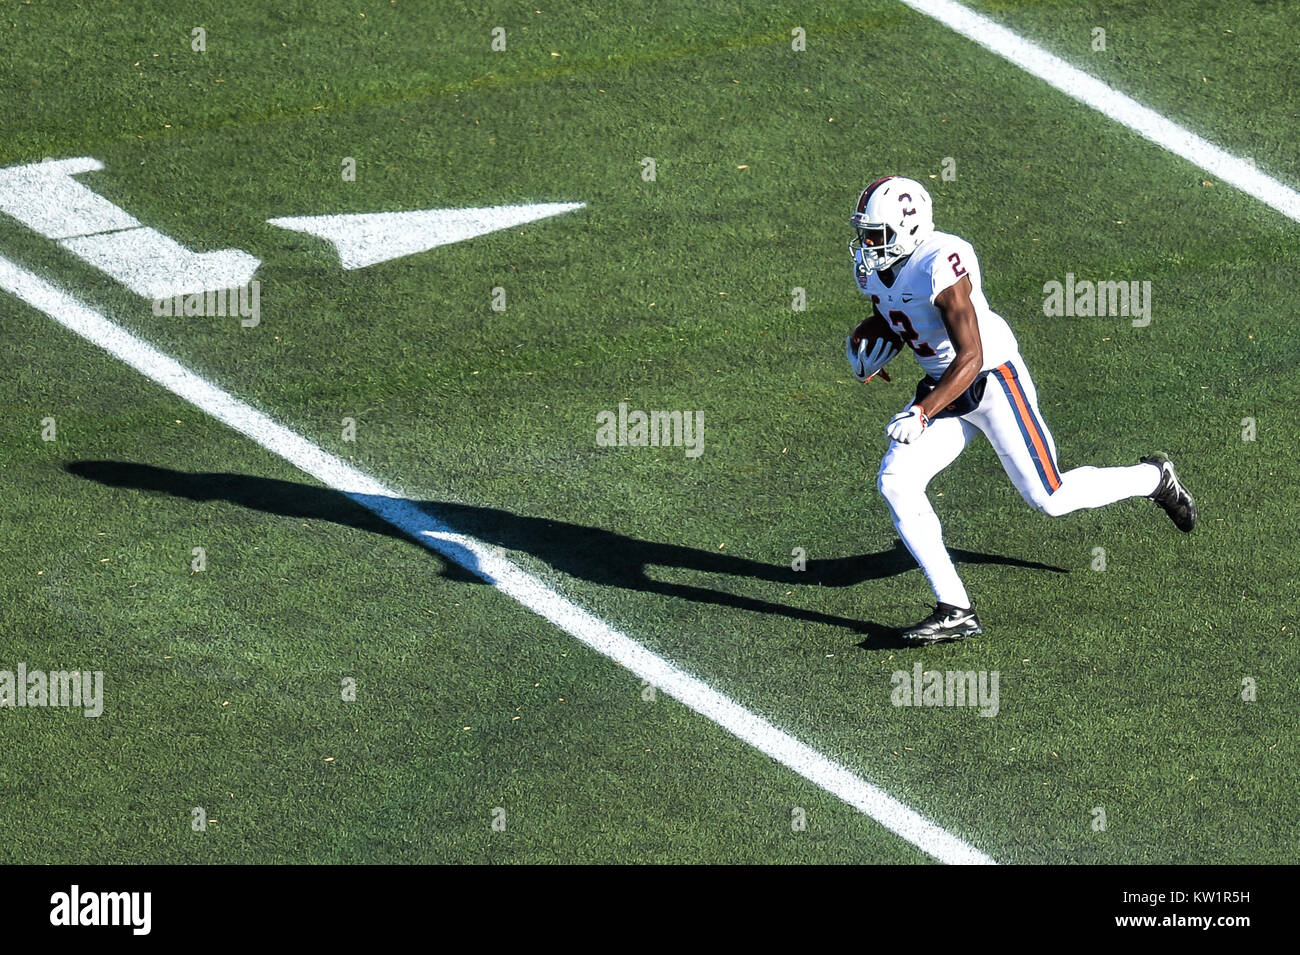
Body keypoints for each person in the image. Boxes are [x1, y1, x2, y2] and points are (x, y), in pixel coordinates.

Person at [844, 176, 1195, 644]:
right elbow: (895, 314)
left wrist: (924, 411)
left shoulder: (940, 262)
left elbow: (970, 355)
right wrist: (871, 339)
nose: (867, 245)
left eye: (876, 234)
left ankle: (1154, 479)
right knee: (896, 480)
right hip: (941, 384)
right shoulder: (873, 269)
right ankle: (956, 609)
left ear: (910, 229)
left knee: (1050, 498)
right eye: (865, 233)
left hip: (989, 380)